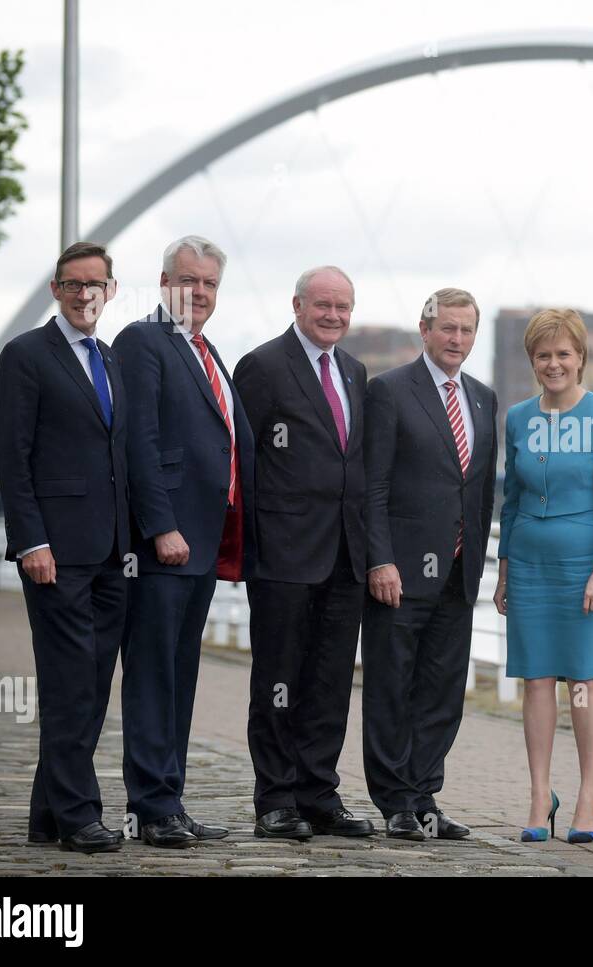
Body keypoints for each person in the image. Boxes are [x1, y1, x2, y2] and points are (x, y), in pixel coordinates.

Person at [114, 235, 255, 848]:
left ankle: (169, 798)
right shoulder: (142, 342)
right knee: (152, 674)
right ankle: (150, 806)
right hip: (164, 544)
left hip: (201, 543)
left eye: (210, 285)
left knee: (180, 673)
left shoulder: (205, 349)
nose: (199, 294)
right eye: (189, 281)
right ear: (164, 279)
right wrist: (160, 526)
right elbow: (138, 442)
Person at [0, 242, 130, 854]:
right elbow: (12, 457)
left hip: (110, 553)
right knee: (70, 682)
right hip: (55, 552)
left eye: (94, 285)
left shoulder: (109, 358)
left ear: (110, 290)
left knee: (91, 684)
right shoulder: (26, 355)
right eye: (73, 285)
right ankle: (80, 816)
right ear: (56, 290)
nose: (84, 295)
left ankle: (47, 815)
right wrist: (31, 541)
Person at [233, 266, 374, 841]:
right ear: (297, 304)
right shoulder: (262, 366)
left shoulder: (355, 370)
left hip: (345, 554)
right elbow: (241, 461)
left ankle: (319, 792)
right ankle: (275, 798)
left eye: (343, 306)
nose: (334, 316)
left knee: (330, 680)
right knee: (279, 679)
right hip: (283, 555)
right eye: (323, 305)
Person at [362, 287, 497, 841]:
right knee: (392, 688)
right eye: (448, 329)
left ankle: (424, 797)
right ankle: (394, 801)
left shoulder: (485, 399)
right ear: (425, 329)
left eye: (466, 330)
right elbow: (372, 486)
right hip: (401, 574)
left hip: (459, 576)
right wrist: (380, 560)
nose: (457, 340)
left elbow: (482, 488)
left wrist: (483, 572)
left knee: (442, 691)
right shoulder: (390, 391)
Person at [493, 309, 593, 843]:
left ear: (581, 359)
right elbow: (513, 500)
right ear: (533, 361)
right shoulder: (519, 417)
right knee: (536, 680)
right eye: (543, 355)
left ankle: (588, 793)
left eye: (563, 354)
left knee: (583, 679)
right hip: (528, 564)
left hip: (585, 568)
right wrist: (504, 570)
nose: (554, 363)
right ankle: (538, 794)